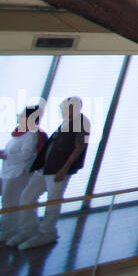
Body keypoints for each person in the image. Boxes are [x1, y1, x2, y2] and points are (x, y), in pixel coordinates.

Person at [17, 97, 90, 250]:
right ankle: (28, 228)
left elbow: (80, 146)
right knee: (27, 196)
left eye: (64, 108)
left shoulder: (82, 122)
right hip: (46, 168)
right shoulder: (66, 122)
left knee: (53, 200)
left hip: (58, 169)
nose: (62, 111)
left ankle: (47, 232)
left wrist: (65, 169)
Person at [0, 105, 45, 246]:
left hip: (17, 173)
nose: (18, 117)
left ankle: (11, 231)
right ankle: (8, 230)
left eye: (21, 115)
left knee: (12, 202)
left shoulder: (30, 134)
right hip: (9, 172)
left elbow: (26, 155)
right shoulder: (19, 134)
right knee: (8, 201)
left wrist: (6, 156)